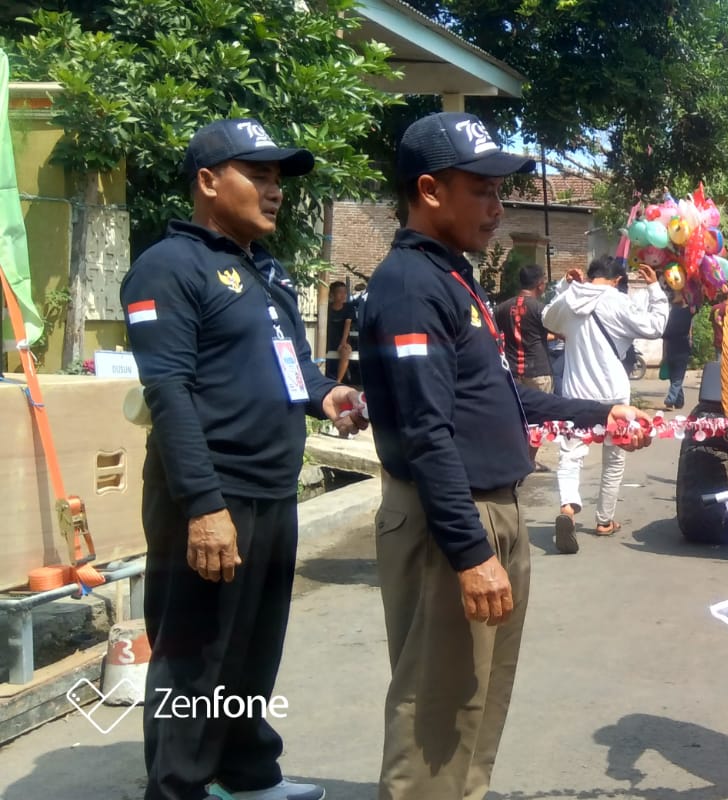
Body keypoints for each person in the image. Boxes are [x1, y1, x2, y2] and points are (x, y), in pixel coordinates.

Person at [358, 111, 649, 800]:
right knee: (437, 708)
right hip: (451, 519)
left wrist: (600, 411)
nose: (496, 208)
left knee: (478, 702)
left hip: (490, 508)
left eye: (499, 191)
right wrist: (469, 552)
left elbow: (501, 396)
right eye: (481, 190)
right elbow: (428, 432)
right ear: (430, 189)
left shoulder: (451, 280)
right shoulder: (409, 287)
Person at [122, 117, 364, 800]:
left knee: (253, 650)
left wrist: (329, 395)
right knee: (193, 656)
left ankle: (247, 771)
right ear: (207, 181)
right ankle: (178, 788)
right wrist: (203, 508)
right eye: (256, 174)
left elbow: (292, 372)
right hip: (208, 492)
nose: (274, 190)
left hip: (270, 489)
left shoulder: (266, 271)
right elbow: (167, 391)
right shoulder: (168, 267)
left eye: (277, 179)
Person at [543, 257, 668, 550]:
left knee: (570, 455)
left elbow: (548, 318)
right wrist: (654, 288)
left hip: (576, 396)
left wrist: (564, 285)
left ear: (592, 275)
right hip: (614, 397)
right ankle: (604, 520)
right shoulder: (618, 301)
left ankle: (567, 510)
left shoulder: (571, 297)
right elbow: (655, 326)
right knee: (614, 458)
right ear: (616, 280)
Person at [494, 268, 554, 469]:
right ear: (540, 284)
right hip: (538, 369)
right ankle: (528, 460)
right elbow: (559, 332)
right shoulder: (541, 309)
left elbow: (494, 334)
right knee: (539, 417)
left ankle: (516, 457)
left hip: (511, 369)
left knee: (516, 416)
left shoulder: (502, 308)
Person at [661, 297, 694, 409]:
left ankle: (671, 399)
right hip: (682, 349)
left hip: (672, 349)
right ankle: (678, 401)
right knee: (677, 377)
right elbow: (694, 307)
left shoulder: (669, 320)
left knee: (674, 377)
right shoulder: (686, 315)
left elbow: (665, 340)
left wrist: (664, 355)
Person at [324, 280, 359, 386]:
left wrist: (343, 342)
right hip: (327, 340)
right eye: (340, 292)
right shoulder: (326, 308)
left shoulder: (349, 308)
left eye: (345, 292)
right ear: (332, 294)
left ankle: (338, 381)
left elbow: (347, 325)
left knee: (345, 352)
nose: (343, 295)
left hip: (342, 340)